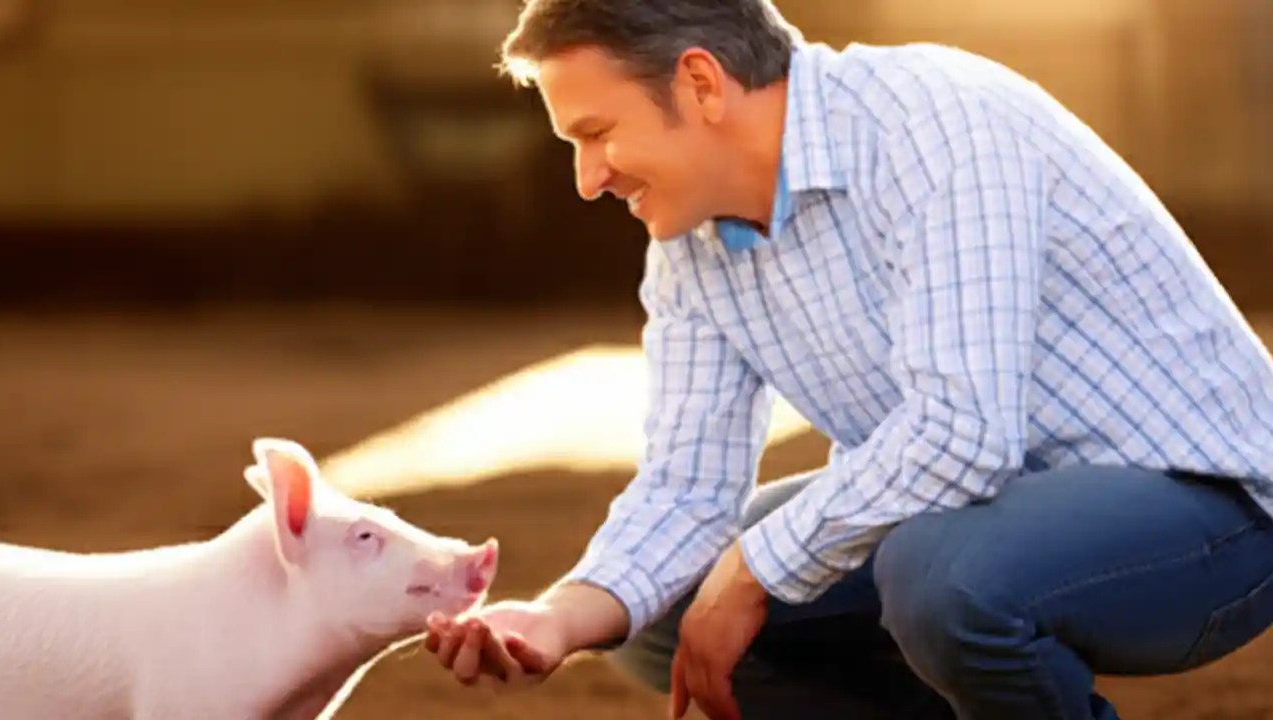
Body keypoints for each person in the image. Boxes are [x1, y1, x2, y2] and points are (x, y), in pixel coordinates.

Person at [421, 1, 1273, 718]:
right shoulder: (690, 246)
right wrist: (559, 616)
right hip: (986, 509)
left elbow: (964, 433)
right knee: (660, 610)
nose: (586, 178)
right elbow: (686, 488)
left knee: (937, 577)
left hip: (1208, 509)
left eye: (597, 132)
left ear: (701, 83)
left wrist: (753, 567)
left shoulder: (935, 123)